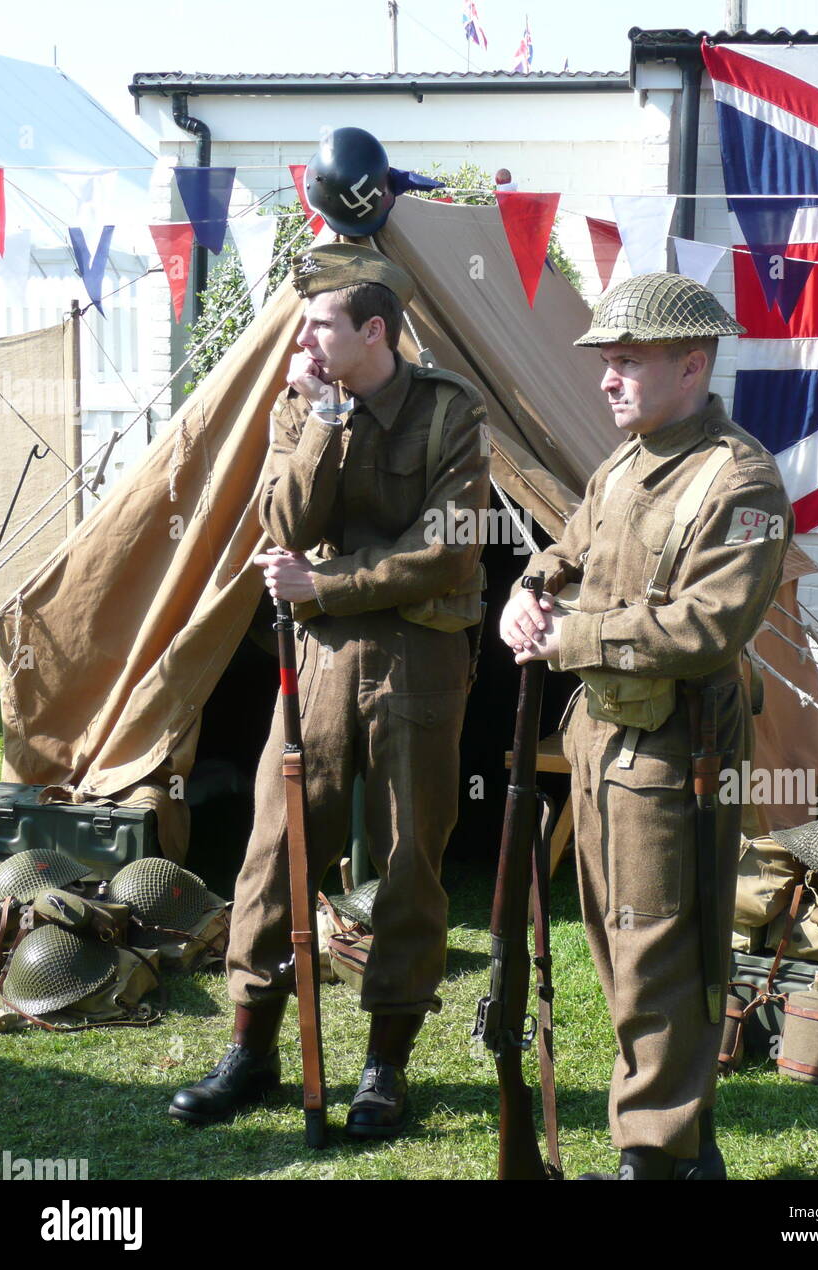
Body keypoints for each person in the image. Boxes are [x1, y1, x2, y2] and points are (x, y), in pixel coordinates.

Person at [170, 241, 490, 1139]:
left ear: (374, 331)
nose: (301, 339)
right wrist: (319, 421)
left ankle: (384, 1065)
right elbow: (287, 521)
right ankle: (252, 1048)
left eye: (318, 324)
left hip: (416, 662)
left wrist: (330, 585)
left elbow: (451, 547)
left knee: (407, 860)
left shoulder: (448, 414)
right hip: (313, 663)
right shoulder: (297, 406)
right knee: (275, 853)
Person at [499, 272, 793, 1180]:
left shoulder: (739, 481)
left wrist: (570, 634)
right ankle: (686, 1146)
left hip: (677, 752)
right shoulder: (623, 462)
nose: (605, 380)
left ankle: (654, 1158)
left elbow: (710, 627)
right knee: (614, 938)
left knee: (662, 945)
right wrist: (528, 589)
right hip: (602, 739)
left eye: (625, 362)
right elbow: (573, 547)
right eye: (606, 363)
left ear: (690, 365)